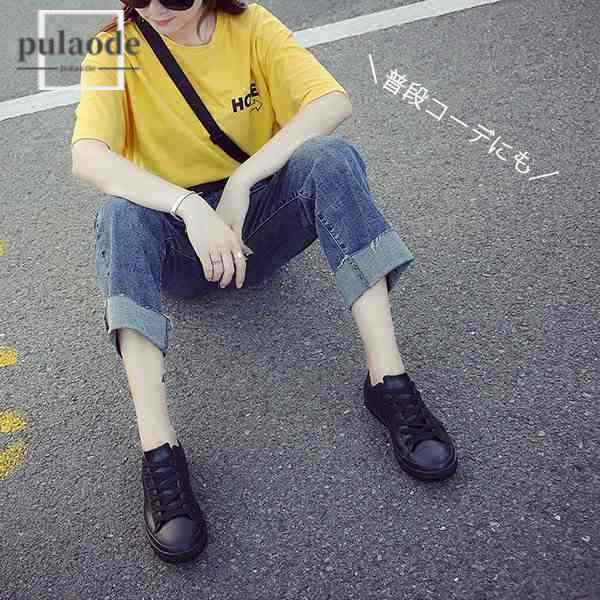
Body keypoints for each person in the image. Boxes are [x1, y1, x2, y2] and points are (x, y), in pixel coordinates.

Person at [70, 0, 458, 564]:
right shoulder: (116, 47)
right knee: (118, 213)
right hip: (178, 241)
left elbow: (331, 101)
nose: (155, 8)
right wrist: (188, 208)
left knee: (330, 158)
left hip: (252, 228)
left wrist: (242, 182)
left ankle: (388, 382)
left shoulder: (249, 24)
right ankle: (160, 450)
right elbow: (88, 157)